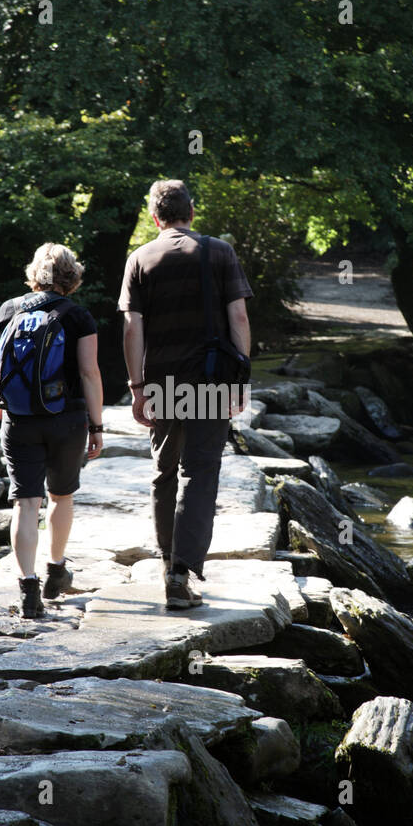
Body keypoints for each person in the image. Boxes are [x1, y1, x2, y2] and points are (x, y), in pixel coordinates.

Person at [118, 179, 252, 609]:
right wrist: (241, 376)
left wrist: (137, 387)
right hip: (212, 379)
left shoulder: (139, 258)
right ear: (191, 213)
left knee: (165, 471)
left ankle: (165, 563)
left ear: (155, 217)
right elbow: (239, 316)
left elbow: (132, 328)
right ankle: (181, 574)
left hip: (162, 380)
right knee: (200, 473)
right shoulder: (220, 252)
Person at [0, 243, 104, 619]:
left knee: (25, 503)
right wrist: (97, 425)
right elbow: (89, 373)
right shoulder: (78, 316)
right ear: (72, 277)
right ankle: (57, 572)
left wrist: (4, 405)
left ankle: (28, 590)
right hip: (66, 419)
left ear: (35, 273)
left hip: (19, 418)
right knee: (61, 495)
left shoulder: (8, 310)